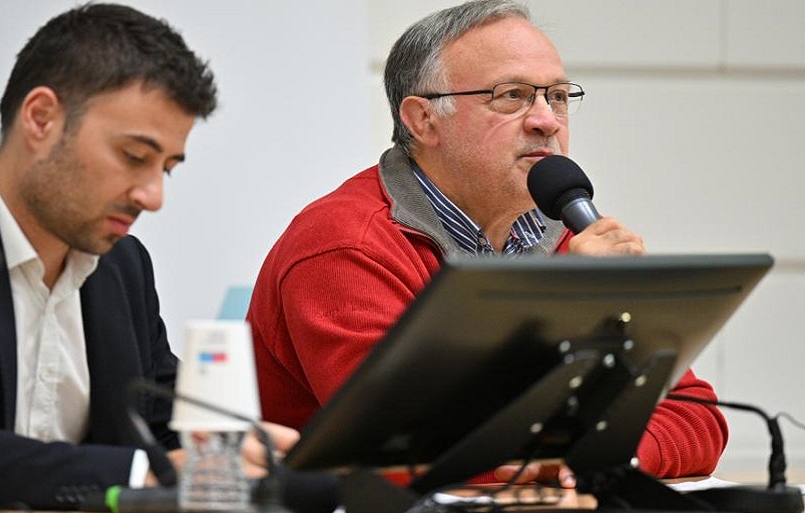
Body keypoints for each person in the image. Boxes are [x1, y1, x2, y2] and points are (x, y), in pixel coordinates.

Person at [247, 0, 727, 486]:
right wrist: (563, 306)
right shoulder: (347, 246)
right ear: (423, 120)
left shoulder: (564, 233)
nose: (547, 121)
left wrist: (592, 458)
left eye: (558, 96)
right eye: (512, 95)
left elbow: (696, 418)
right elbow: (404, 447)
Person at [0, 3, 297, 509]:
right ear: (41, 118)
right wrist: (141, 474)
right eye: (134, 157)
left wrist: (246, 453)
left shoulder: (124, 264)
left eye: (167, 168)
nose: (153, 196)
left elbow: (163, 418)